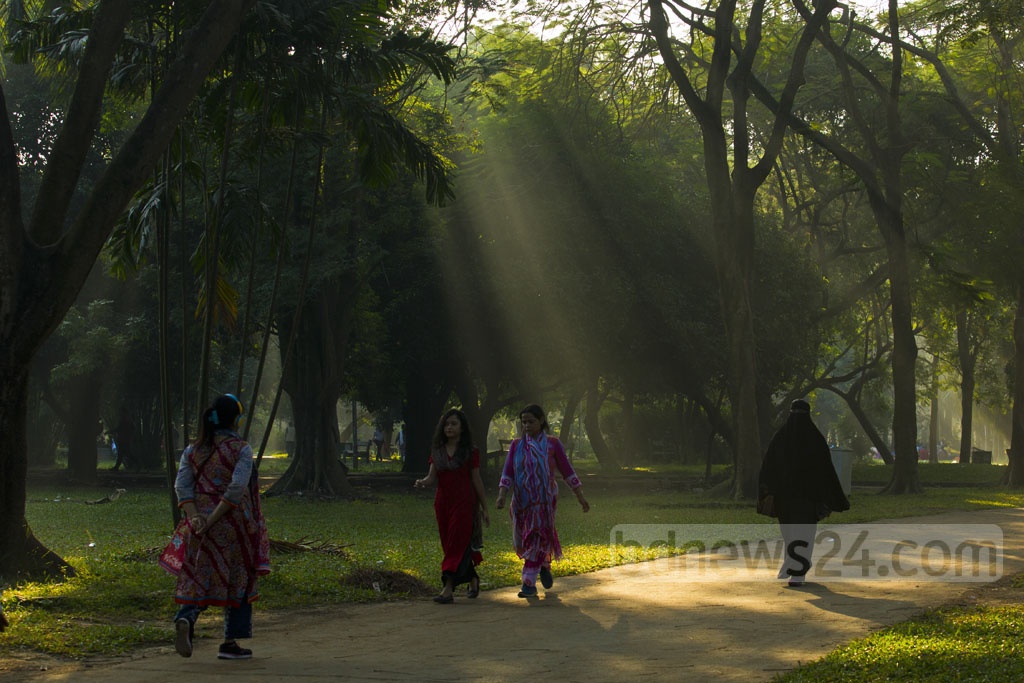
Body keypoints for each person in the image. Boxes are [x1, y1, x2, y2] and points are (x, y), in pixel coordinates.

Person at [163, 394, 270, 659]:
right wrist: (213, 519)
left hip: (195, 526)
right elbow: (236, 488)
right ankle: (230, 642)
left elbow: (182, 485)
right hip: (232, 527)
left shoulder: (193, 450)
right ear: (236, 419)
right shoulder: (241, 449)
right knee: (238, 580)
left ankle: (186, 618)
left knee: (197, 575)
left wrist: (196, 517)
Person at [496, 404, 589, 598]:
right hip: (522, 503)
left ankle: (528, 582)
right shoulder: (516, 446)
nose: (527, 425)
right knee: (524, 538)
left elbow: (567, 470)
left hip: (545, 502)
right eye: (524, 422)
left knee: (536, 536)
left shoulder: (552, 444)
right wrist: (502, 495)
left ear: (541, 421)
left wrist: (580, 496)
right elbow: (508, 472)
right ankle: (544, 566)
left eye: (531, 421)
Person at [758, 398, 849, 587]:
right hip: (786, 496)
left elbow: (825, 470)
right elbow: (770, 465)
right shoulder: (801, 438)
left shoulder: (794, 438)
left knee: (802, 533)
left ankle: (798, 572)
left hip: (807, 498)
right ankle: (791, 563)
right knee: (789, 532)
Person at [414, 409, 490, 603]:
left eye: (454, 424)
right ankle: (472, 577)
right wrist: (422, 482)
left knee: (457, 542)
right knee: (450, 545)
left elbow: (476, 479)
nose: (449, 427)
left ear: (462, 427)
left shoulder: (470, 451)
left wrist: (485, 508)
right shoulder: (437, 450)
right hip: (442, 503)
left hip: (464, 502)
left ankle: (448, 587)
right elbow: (432, 477)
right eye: (447, 424)